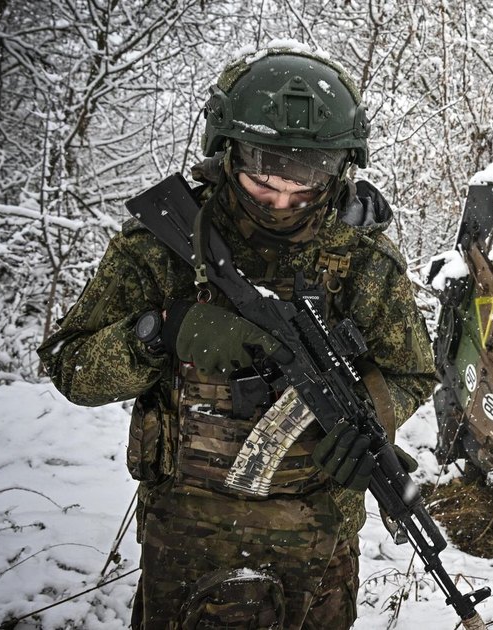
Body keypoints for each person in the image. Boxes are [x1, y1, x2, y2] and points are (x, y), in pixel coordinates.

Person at [37, 46, 437, 628]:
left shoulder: (363, 261)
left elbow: (412, 372)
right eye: (263, 179)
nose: (282, 202)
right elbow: (70, 366)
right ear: (225, 152)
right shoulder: (161, 246)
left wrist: (366, 424)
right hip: (188, 533)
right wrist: (160, 331)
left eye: (307, 185)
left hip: (319, 537)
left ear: (341, 168)